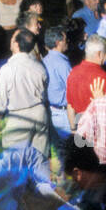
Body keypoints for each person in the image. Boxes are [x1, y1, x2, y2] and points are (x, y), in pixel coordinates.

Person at [0, 28, 49, 155]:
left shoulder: (7, 69)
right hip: (40, 114)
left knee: (15, 162)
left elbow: (0, 103)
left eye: (12, 39)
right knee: (39, 161)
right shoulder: (40, 66)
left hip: (18, 118)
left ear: (16, 44)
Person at [66, 35, 106, 131]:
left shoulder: (73, 71)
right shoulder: (102, 76)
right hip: (95, 127)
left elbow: (70, 105)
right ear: (99, 54)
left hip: (78, 125)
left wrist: (73, 129)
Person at [43, 25, 72, 154]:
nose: (67, 42)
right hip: (63, 114)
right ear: (58, 43)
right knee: (68, 150)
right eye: (65, 40)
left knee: (57, 152)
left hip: (50, 112)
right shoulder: (62, 63)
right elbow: (72, 87)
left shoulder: (44, 61)